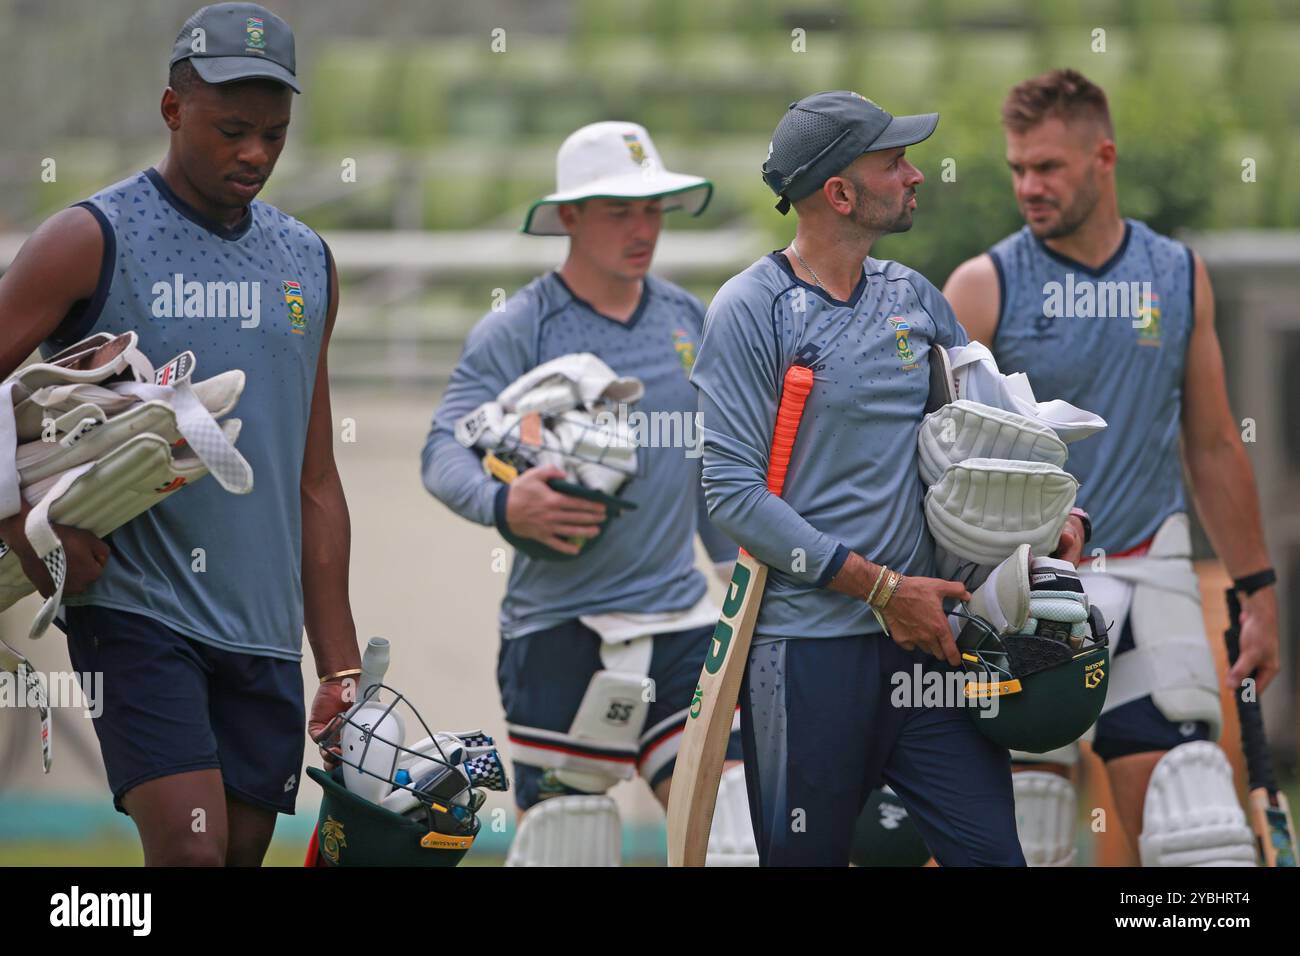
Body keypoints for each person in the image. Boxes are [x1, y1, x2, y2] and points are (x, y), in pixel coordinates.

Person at [0, 3, 361, 866]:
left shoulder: (307, 261)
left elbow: (314, 480)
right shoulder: (91, 238)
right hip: (136, 610)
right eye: (232, 130)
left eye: (274, 134)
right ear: (172, 110)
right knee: (191, 856)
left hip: (261, 628)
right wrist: (21, 532)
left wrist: (341, 668)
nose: (256, 155)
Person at [691, 91, 1084, 866]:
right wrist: (878, 589)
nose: (914, 175)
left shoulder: (914, 297)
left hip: (931, 645)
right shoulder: (752, 308)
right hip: (807, 655)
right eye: (893, 162)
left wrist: (1058, 522)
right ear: (839, 192)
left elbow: (991, 434)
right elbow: (732, 493)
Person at [943, 68, 1277, 866]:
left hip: (1147, 568)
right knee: (1034, 833)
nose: (1029, 186)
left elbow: (1213, 443)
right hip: (1016, 593)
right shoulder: (981, 286)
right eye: (1018, 167)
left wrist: (1258, 594)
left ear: (1104, 157)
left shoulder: (1176, 273)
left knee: (1198, 832)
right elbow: (936, 458)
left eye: (1048, 167)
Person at [421, 121, 747, 865]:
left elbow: (707, 469)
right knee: (570, 846)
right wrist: (506, 504)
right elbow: (443, 449)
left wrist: (739, 588)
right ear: (567, 216)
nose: (643, 229)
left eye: (654, 209)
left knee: (734, 833)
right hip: (558, 630)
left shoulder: (686, 320)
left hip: (681, 624)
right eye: (618, 210)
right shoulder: (519, 325)